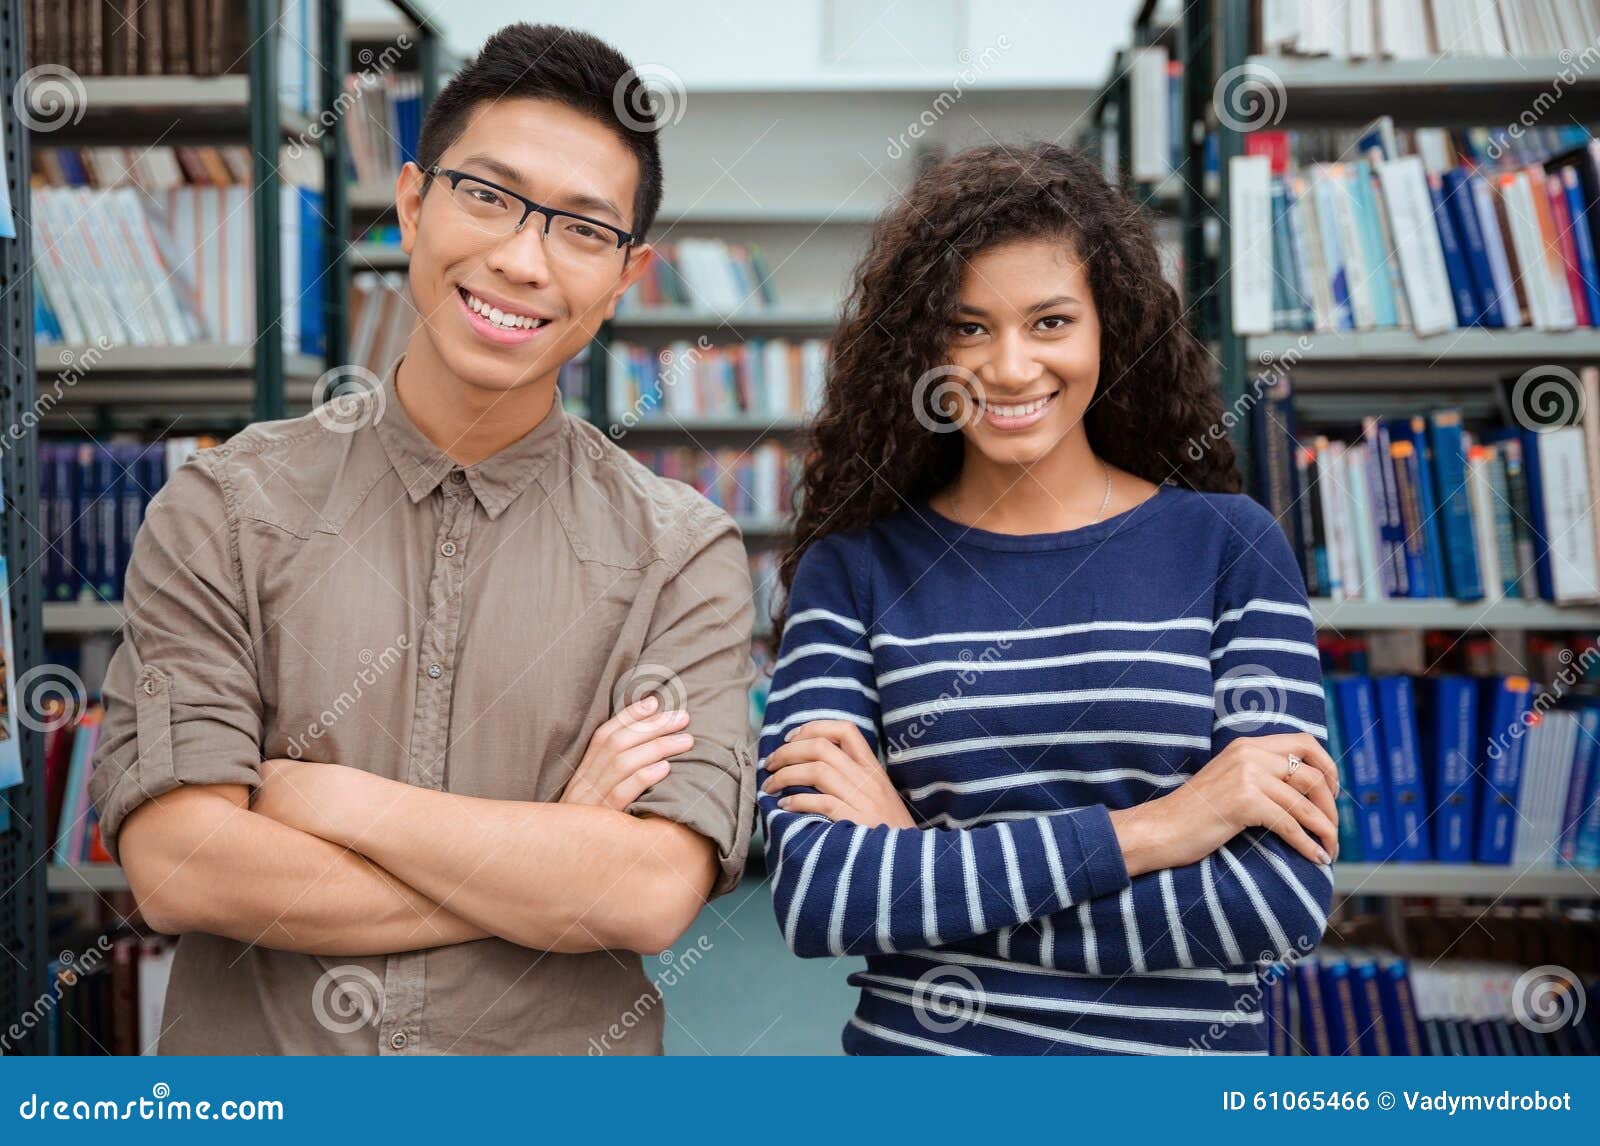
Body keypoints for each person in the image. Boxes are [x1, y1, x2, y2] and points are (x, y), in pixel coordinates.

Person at [87, 23, 757, 1055]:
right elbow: (182, 869)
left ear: (627, 277)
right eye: (487, 195)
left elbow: (649, 893)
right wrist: (552, 853)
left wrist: (327, 798)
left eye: (582, 230)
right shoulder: (221, 507)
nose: (521, 259)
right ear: (410, 201)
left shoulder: (684, 553)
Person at [757, 141, 1338, 1055]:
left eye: (1051, 322)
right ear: (920, 347)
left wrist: (923, 878)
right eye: (967, 327)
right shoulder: (854, 570)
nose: (1011, 367)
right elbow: (821, 897)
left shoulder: (1231, 547)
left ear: (1111, 326)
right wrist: (1164, 827)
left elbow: (1275, 903)